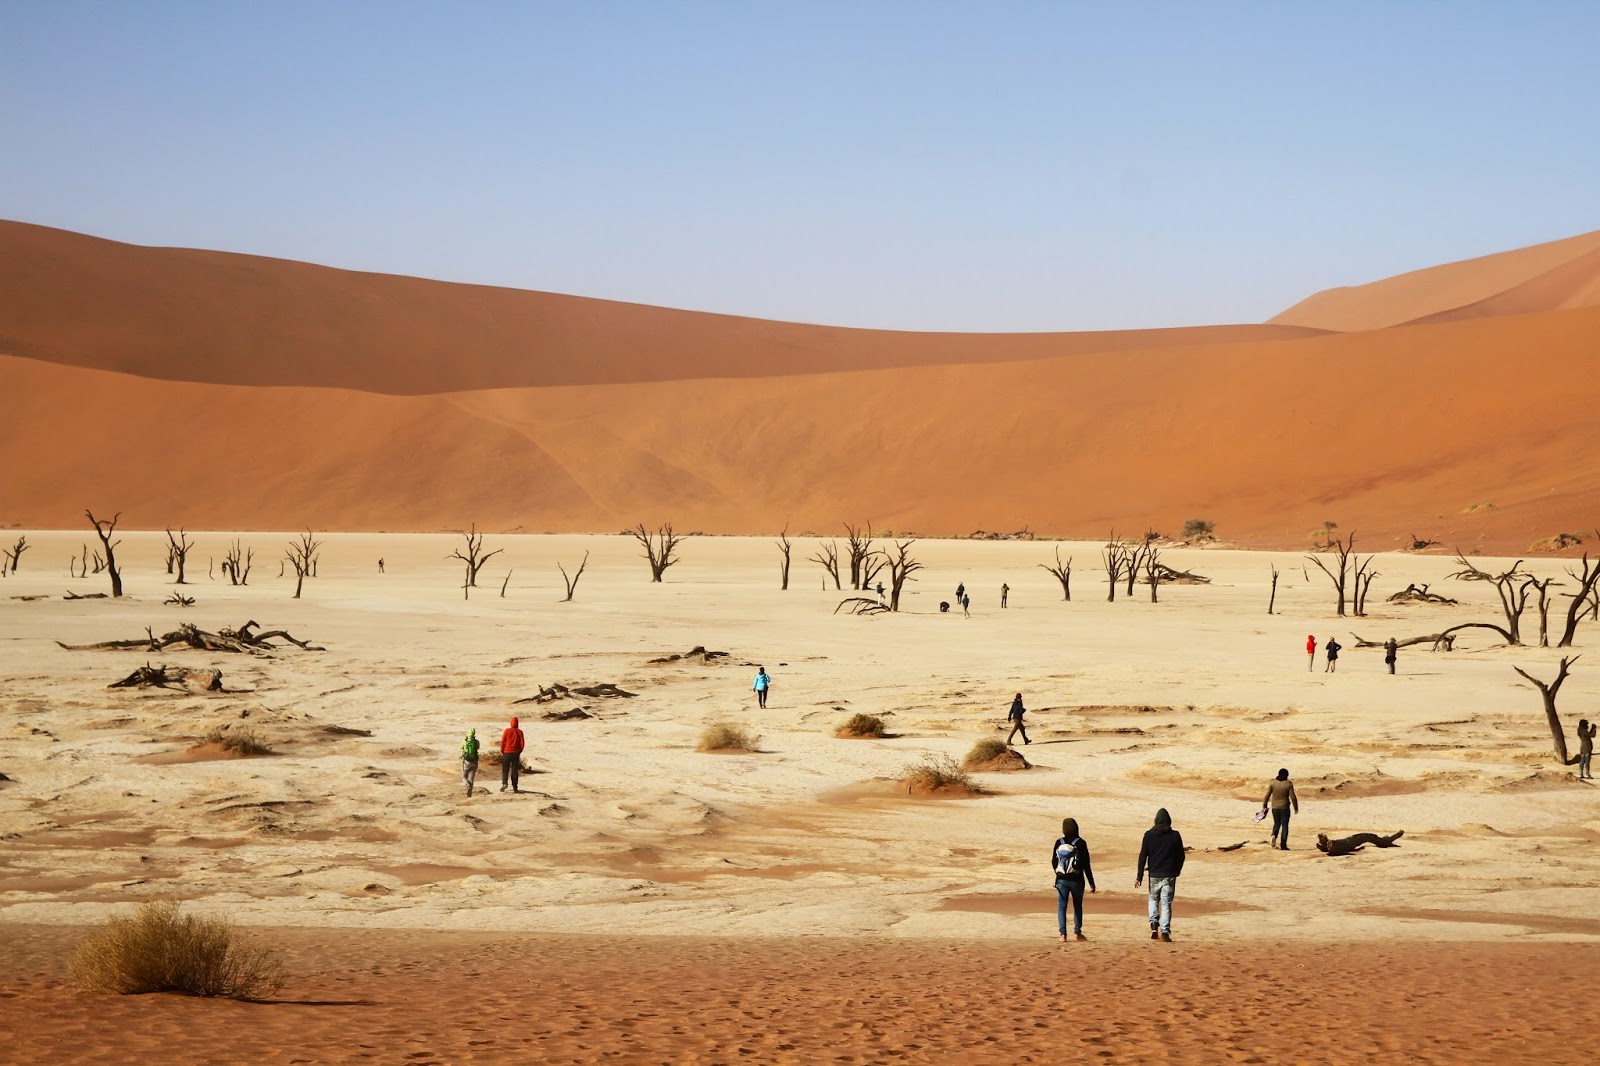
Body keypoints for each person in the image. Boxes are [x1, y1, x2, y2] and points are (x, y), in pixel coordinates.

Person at [1135, 808, 1185, 942]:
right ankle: (1165, 931)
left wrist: (1139, 877)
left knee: (1153, 899)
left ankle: (1153, 925)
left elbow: (1142, 857)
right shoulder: (1175, 835)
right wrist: (1177, 870)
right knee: (1166, 903)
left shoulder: (1148, 835)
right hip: (1169, 874)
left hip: (1154, 874)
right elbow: (1181, 856)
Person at [1052, 817, 1096, 942]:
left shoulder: (1059, 842)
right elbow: (1086, 864)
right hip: (1077, 880)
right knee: (1077, 906)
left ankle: (1063, 935)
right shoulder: (1081, 843)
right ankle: (1077, 933)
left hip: (1061, 880)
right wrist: (1091, 882)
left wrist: (1059, 873)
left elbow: (1054, 861)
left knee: (1062, 907)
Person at [1261, 768, 1299, 849]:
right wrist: (1295, 808)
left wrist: (1264, 805)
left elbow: (1267, 795)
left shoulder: (1272, 783)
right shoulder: (1288, 784)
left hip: (1274, 807)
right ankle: (1283, 845)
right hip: (1285, 807)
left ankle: (1274, 835)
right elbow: (1293, 797)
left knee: (1276, 823)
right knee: (1285, 826)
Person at [499, 716, 525, 793]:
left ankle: (504, 783)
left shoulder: (507, 731)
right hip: (516, 753)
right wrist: (519, 751)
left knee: (505, 769)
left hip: (507, 752)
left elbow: (503, 741)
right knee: (514, 770)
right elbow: (522, 744)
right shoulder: (520, 732)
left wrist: (502, 750)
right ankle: (515, 787)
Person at [460, 728, 480, 797]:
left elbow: (461, 747)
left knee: (464, 777)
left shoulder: (464, 741)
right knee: (471, 778)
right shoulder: (476, 742)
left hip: (466, 762)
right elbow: (478, 747)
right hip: (474, 761)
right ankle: (469, 794)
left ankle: (467, 785)